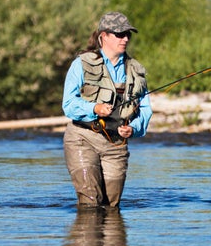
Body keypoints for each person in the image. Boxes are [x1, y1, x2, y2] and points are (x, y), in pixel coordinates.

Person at [62, 11, 152, 207]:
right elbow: (68, 104)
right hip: (82, 138)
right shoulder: (81, 64)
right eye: (120, 34)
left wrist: (133, 129)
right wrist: (94, 108)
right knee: (91, 202)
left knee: (111, 205)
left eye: (128, 34)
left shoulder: (136, 70)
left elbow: (145, 109)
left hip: (116, 144)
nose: (126, 38)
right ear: (103, 36)